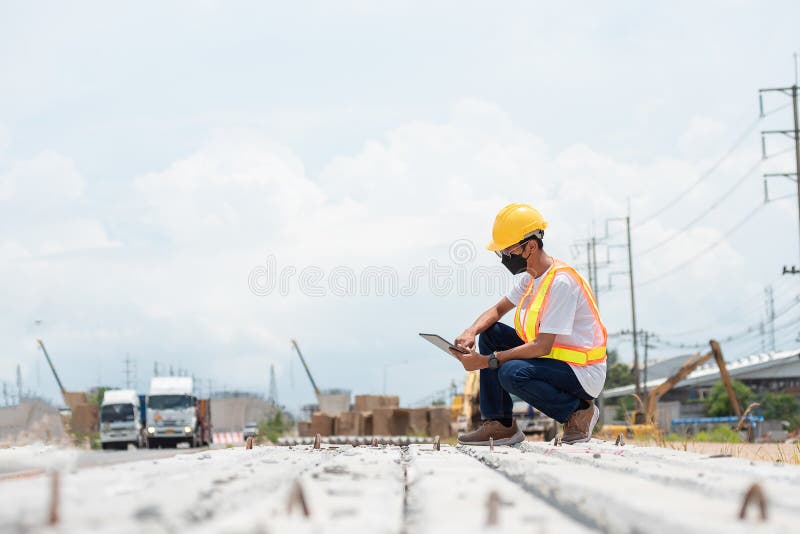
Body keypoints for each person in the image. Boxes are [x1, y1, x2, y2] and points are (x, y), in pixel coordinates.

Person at [450, 203, 607, 445]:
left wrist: (487, 360)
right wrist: (471, 332)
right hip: (555, 360)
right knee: (490, 333)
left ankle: (578, 411)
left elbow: (542, 346)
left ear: (530, 246)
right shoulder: (531, 279)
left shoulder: (561, 283)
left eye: (507, 251)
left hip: (581, 371)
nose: (504, 258)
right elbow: (497, 309)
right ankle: (500, 425)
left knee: (511, 373)